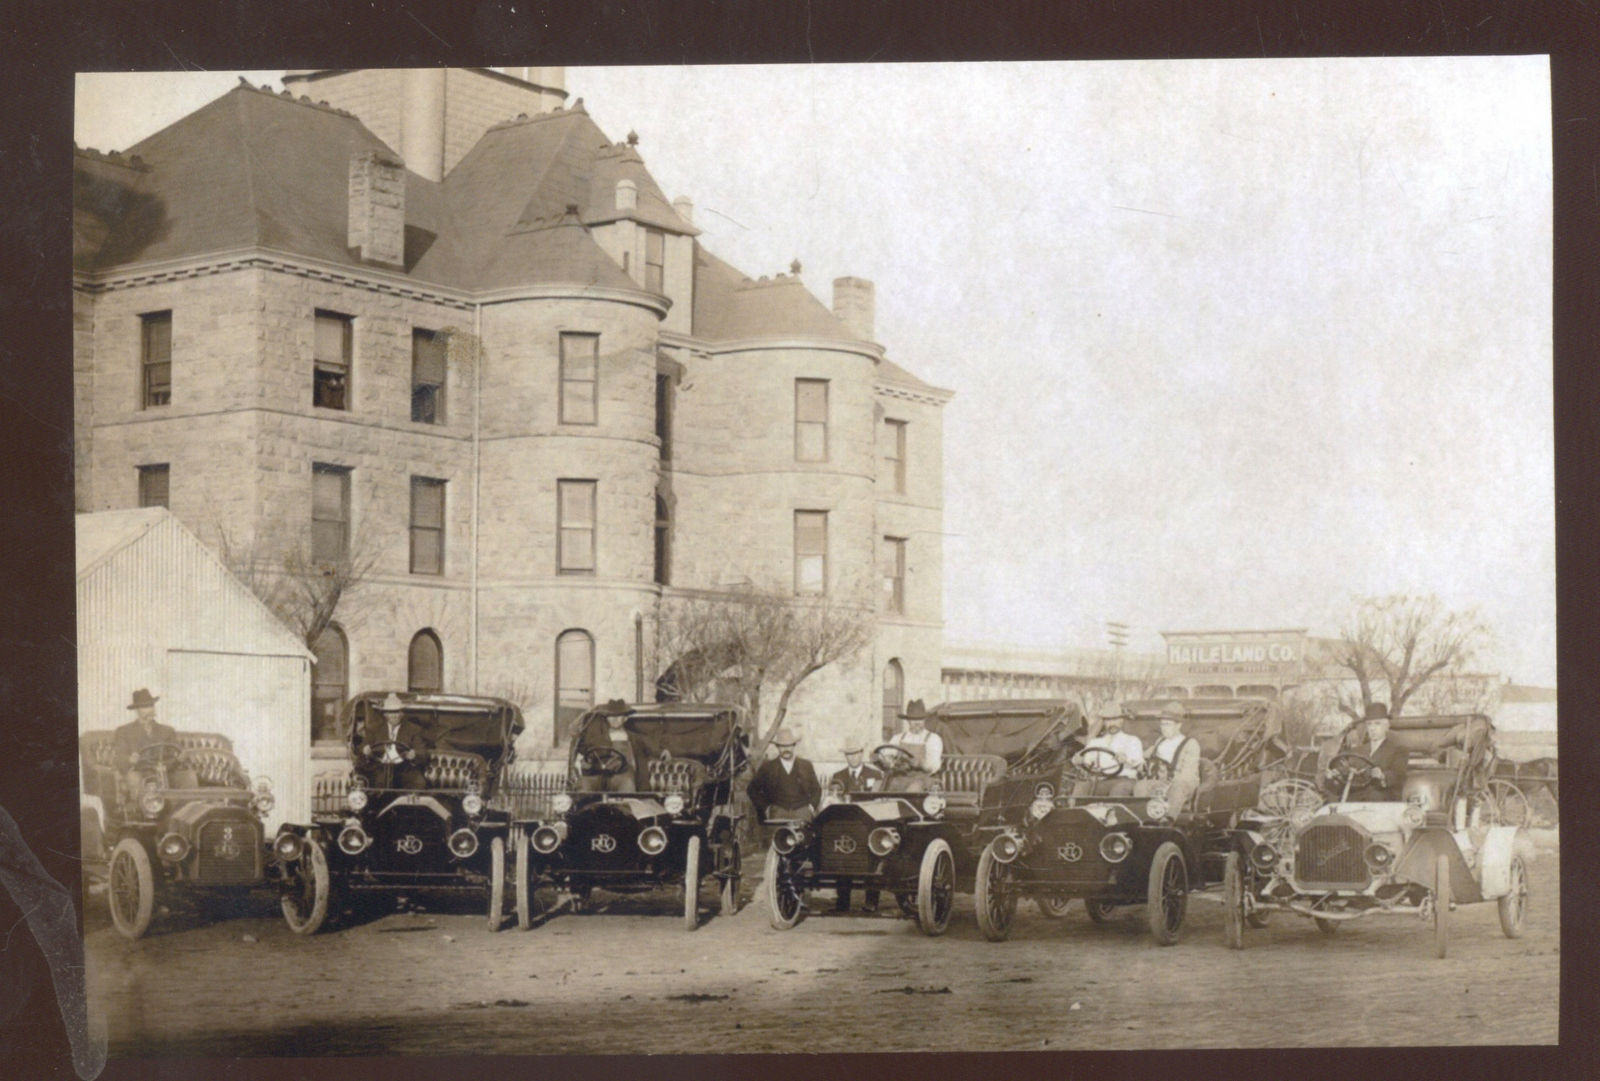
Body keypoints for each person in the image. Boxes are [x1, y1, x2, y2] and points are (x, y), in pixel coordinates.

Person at [829, 738, 884, 914]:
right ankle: (843, 901)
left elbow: (878, 801)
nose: (853, 758)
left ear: (861, 754)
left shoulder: (875, 775)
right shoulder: (838, 777)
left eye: (856, 754)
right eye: (849, 755)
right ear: (846, 756)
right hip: (845, 826)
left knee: (872, 858)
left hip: (869, 824)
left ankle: (871, 901)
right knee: (843, 858)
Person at [111, 689, 185, 795]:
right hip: (140, 771)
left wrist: (179, 758)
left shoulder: (167, 730)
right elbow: (119, 757)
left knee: (188, 776)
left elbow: (176, 753)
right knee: (133, 777)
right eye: (145, 707)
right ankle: (146, 810)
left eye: (151, 706)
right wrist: (130, 759)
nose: (150, 710)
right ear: (137, 710)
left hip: (165, 771)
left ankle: (187, 810)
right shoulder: (124, 731)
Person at [1134, 702, 1201, 813]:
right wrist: (1140, 760)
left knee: (1177, 788)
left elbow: (1188, 774)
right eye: (1162, 724)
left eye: (1168, 724)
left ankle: (1168, 819)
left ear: (1178, 725)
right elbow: (1146, 757)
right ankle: (1143, 818)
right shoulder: (1160, 741)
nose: (1163, 728)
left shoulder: (1190, 743)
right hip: (1161, 781)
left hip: (1183, 784)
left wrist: (1169, 787)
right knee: (1140, 786)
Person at [357, 693, 432, 791]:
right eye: (390, 712)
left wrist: (414, 754)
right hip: (380, 768)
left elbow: (422, 751)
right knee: (369, 784)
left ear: (401, 713)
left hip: (404, 769)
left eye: (396, 712)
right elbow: (361, 748)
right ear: (385, 714)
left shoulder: (413, 729)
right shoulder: (375, 729)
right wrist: (365, 750)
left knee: (419, 783)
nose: (394, 716)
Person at [1336, 703, 1409, 801]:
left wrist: (1382, 775)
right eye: (1369, 724)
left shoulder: (1398, 750)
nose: (1372, 728)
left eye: (1377, 723)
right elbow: (1349, 771)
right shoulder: (1357, 750)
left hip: (1383, 801)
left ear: (1386, 726)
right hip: (1356, 800)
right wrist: (1337, 773)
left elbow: (1398, 775)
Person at [746, 728, 821, 822]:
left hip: (802, 813)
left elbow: (817, 789)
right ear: (777, 747)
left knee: (804, 836)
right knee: (777, 836)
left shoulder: (805, 765)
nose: (786, 749)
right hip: (777, 813)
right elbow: (752, 789)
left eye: (789, 746)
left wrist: (811, 807)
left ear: (794, 746)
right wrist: (766, 807)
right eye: (782, 746)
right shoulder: (768, 767)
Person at [1070, 702, 1144, 797]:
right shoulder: (1096, 742)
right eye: (1108, 720)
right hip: (1101, 781)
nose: (1112, 724)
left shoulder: (1132, 740)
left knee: (1118, 790)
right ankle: (1075, 811)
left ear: (1121, 720)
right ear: (1104, 722)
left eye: (1115, 720)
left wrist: (1125, 758)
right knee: (1082, 786)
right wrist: (1078, 760)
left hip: (1125, 780)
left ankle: (1114, 811)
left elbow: (1138, 763)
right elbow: (1086, 760)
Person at [574, 700, 638, 793]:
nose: (614, 719)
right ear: (607, 718)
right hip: (597, 776)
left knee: (627, 785)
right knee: (583, 786)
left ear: (625, 718)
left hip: (621, 776)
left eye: (618, 716)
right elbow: (581, 755)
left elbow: (653, 747)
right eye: (611, 716)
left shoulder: (632, 736)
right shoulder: (597, 737)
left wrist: (665, 752)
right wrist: (585, 763)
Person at [887, 700, 943, 793]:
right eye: (913, 719)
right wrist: (888, 760)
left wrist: (919, 763)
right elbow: (887, 754)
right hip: (900, 778)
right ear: (908, 721)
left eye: (920, 719)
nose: (917, 723)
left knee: (912, 791)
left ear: (924, 720)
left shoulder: (933, 739)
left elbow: (933, 766)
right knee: (881, 789)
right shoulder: (898, 738)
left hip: (923, 780)